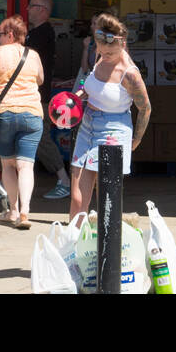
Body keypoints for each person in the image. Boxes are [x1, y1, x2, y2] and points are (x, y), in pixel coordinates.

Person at [0, 0, 70, 200]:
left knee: (41, 140)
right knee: (22, 147)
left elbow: (32, 71)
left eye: (32, 5)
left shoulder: (42, 34)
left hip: (33, 100)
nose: (27, 9)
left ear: (43, 10)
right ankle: (6, 185)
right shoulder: (36, 35)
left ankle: (64, 180)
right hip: (25, 101)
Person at [68, 14, 152, 220]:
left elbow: (146, 108)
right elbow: (92, 87)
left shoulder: (130, 74)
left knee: (106, 194)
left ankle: (106, 246)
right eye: (100, 50)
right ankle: (72, 241)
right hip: (88, 124)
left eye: (109, 53)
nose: (104, 55)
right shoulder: (100, 57)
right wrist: (78, 96)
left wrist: (137, 139)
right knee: (77, 195)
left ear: (122, 44)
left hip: (113, 128)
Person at [0, 15, 44, 229]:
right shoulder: (33, 55)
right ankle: (26, 212)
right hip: (32, 115)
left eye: (0, 35)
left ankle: (12, 211)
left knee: (8, 165)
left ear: (10, 35)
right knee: (26, 166)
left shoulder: (0, 52)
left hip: (5, 113)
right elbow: (40, 79)